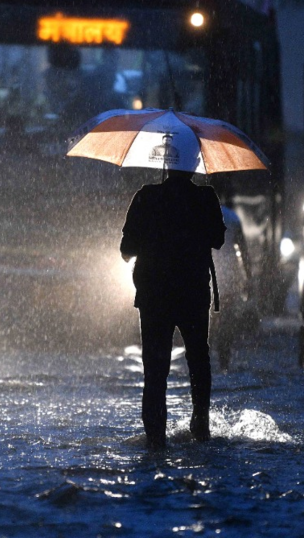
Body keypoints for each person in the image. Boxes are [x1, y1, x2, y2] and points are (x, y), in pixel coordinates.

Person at [120, 169, 227, 450]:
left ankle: (155, 435)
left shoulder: (146, 197)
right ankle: (200, 421)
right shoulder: (205, 197)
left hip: (154, 295)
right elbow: (218, 239)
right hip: (193, 292)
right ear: (193, 166)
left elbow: (126, 247)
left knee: (155, 367)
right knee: (197, 356)